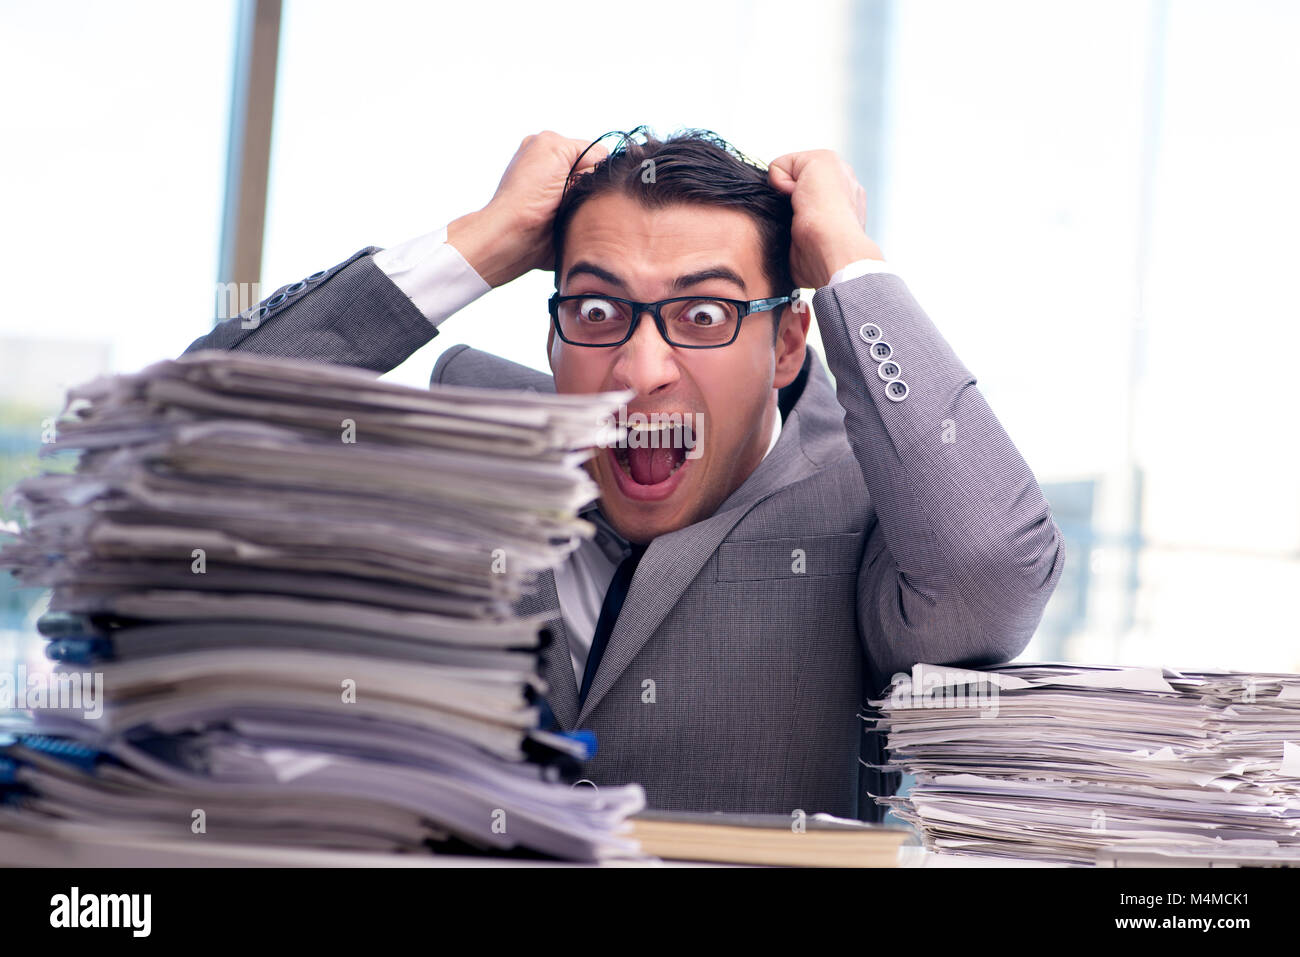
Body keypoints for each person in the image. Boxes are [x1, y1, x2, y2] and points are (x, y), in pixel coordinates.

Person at [184, 128, 1065, 819]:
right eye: (598, 308)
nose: (642, 369)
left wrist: (843, 257)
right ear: (554, 328)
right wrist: (485, 243)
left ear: (788, 342)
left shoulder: (869, 510)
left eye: (706, 312)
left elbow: (991, 571)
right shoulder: (460, 455)